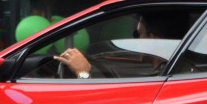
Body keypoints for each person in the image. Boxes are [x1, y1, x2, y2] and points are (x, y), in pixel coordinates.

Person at [55, 11, 187, 78]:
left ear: (152, 39)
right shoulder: (178, 71)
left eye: (138, 34)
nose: (135, 41)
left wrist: (83, 73)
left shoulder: (164, 77)